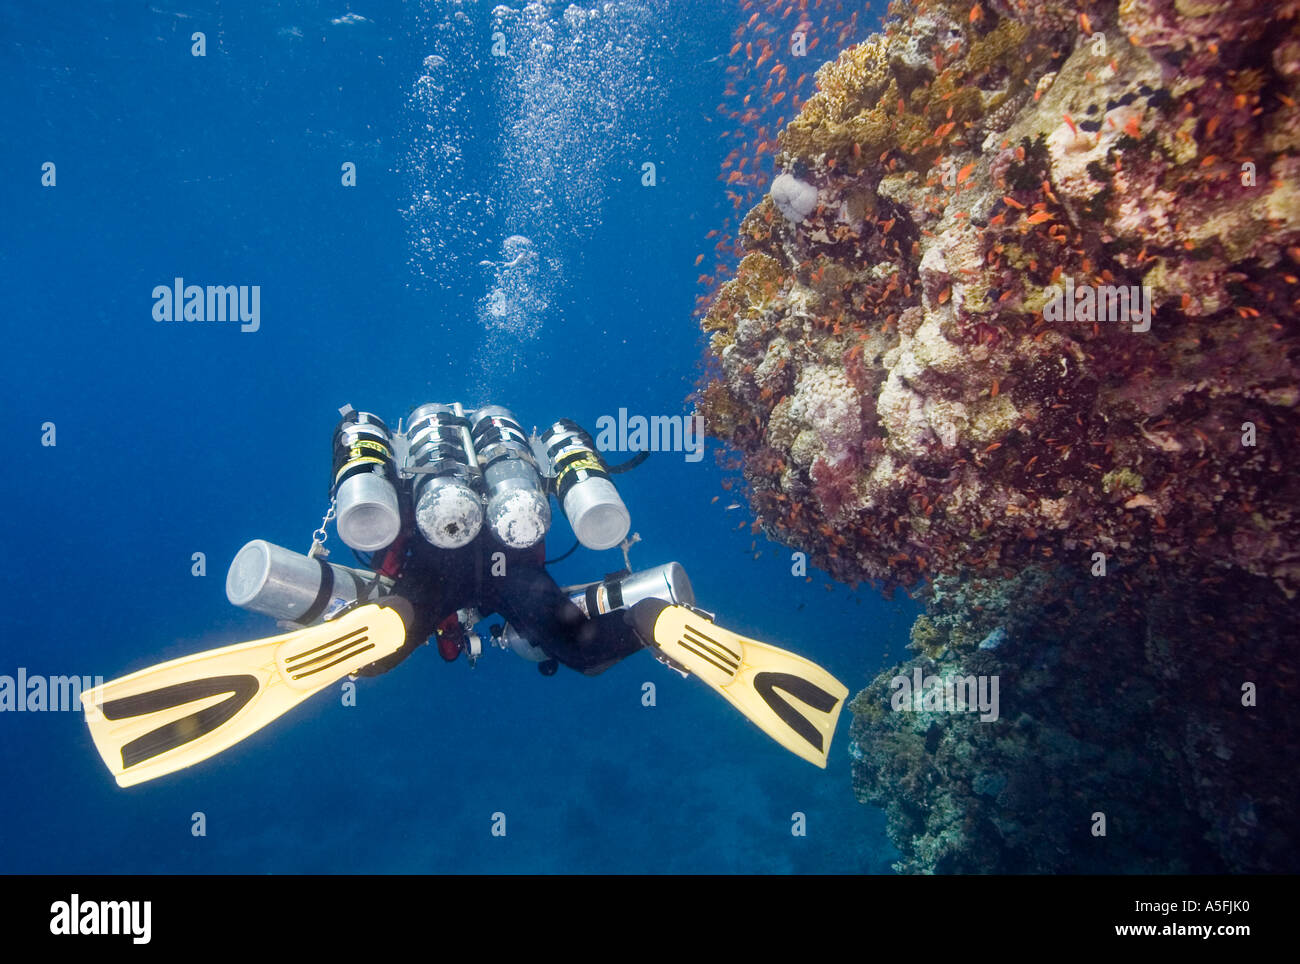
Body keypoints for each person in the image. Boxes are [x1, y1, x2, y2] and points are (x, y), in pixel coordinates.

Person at [80, 403, 847, 789]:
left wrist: (414, 618)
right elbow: (536, 586)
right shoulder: (514, 488)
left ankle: (358, 634)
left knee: (385, 637)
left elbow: (382, 539)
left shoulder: (421, 525)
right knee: (577, 642)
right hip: (515, 553)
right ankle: (659, 620)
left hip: (432, 568)